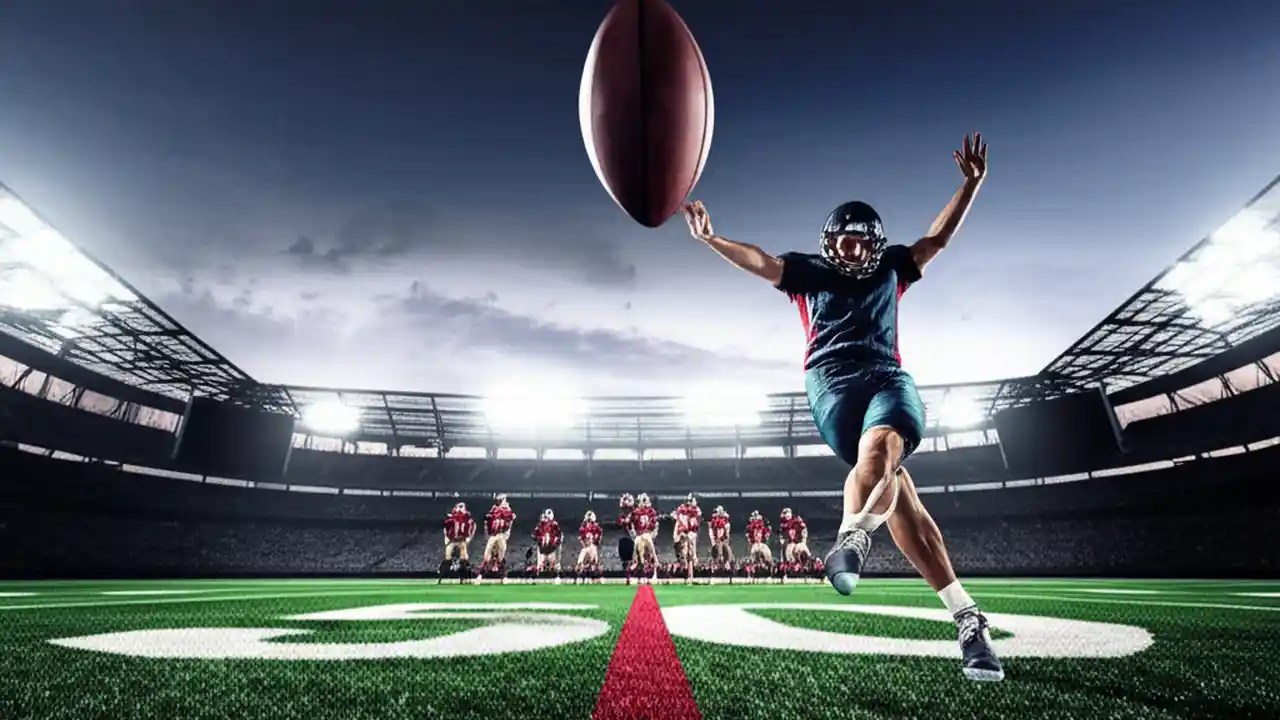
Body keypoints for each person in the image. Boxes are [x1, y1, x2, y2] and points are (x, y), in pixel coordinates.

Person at [682, 132, 1002, 682]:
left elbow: (936, 239)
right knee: (906, 509)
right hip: (830, 385)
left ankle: (854, 537)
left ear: (874, 244)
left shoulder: (893, 268)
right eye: (844, 240)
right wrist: (714, 239)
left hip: (885, 376)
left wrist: (969, 186)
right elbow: (761, 261)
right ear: (830, 242)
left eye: (860, 240)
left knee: (883, 448)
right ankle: (966, 616)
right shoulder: (808, 272)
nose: (852, 248)